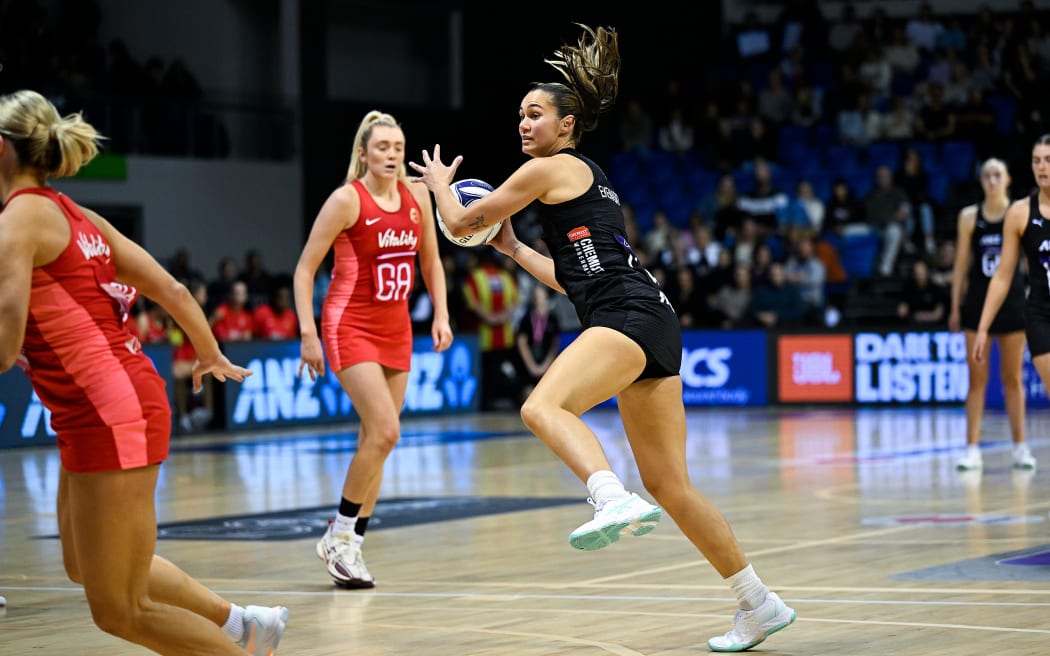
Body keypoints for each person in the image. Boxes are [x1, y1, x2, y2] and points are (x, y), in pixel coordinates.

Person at [409, 25, 795, 652]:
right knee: (671, 486)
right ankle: (759, 602)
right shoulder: (583, 177)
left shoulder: (549, 167)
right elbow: (571, 282)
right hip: (651, 316)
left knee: (541, 407)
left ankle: (607, 496)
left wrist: (435, 189)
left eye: (535, 114)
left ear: (566, 126)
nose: (523, 124)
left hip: (628, 315)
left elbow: (457, 220)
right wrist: (509, 247)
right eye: (519, 116)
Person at [0, 90, 287, 654]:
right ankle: (241, 624)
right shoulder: (75, 215)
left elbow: (6, 347)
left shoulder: (21, 218)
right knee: (83, 562)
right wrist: (207, 350)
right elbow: (173, 289)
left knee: (120, 611)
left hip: (108, 409)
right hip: (110, 402)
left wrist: (208, 352)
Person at [294, 110, 453, 589]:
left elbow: (432, 261)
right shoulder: (346, 200)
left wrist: (442, 314)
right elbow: (304, 270)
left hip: (397, 328)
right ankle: (338, 534)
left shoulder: (418, 196)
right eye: (382, 147)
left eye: (398, 148)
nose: (391, 155)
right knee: (386, 431)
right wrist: (307, 332)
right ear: (363, 153)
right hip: (349, 325)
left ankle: (350, 547)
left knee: (375, 443)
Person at [971, 153, 1047, 470]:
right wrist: (983, 327)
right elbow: (1002, 275)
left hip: (1023, 313)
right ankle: (973, 447)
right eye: (1035, 160)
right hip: (1040, 313)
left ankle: (1019, 446)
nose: (1042, 166)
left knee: (1013, 379)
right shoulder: (1020, 213)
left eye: (1048, 160)